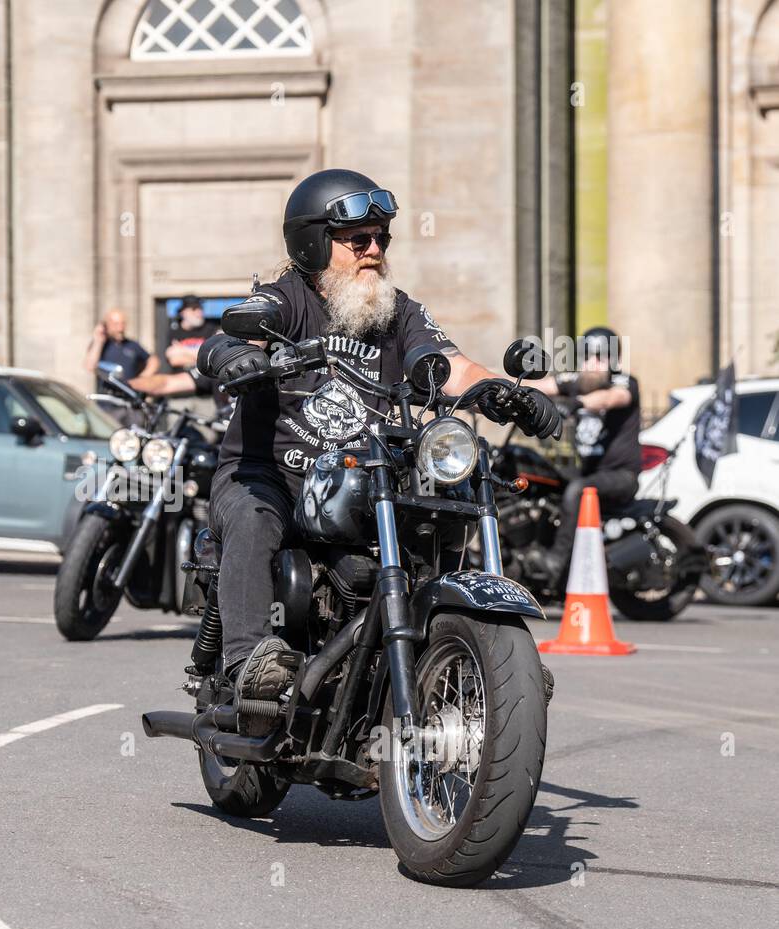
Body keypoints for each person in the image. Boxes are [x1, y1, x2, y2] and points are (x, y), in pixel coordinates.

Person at [195, 168, 563, 708]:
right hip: (273, 474)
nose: (374, 250)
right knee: (253, 517)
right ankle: (250, 662)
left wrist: (503, 393)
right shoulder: (287, 301)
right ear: (314, 242)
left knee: (442, 511)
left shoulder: (398, 311)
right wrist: (236, 355)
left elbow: (444, 364)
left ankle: (477, 651)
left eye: (381, 238)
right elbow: (231, 334)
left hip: (366, 482)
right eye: (358, 239)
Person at [533, 326, 641, 587]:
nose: (593, 362)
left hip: (620, 476)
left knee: (577, 490)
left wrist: (579, 403)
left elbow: (611, 398)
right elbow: (540, 385)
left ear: (613, 360)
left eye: (601, 356)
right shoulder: (575, 381)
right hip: (587, 472)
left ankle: (555, 564)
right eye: (588, 355)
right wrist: (495, 390)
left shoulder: (624, 382)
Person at [83, 308, 159, 381]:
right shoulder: (100, 345)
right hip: (107, 393)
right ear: (106, 325)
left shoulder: (132, 345)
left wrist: (143, 377)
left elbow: (153, 360)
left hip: (128, 392)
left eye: (123, 323)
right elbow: (90, 367)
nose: (120, 328)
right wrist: (98, 340)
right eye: (116, 324)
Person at [162, 295, 217, 373]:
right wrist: (199, 357)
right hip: (180, 380)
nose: (199, 312)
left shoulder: (210, 329)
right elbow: (173, 360)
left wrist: (182, 350)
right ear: (183, 312)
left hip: (205, 380)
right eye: (194, 309)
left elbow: (211, 358)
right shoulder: (174, 331)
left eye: (200, 308)